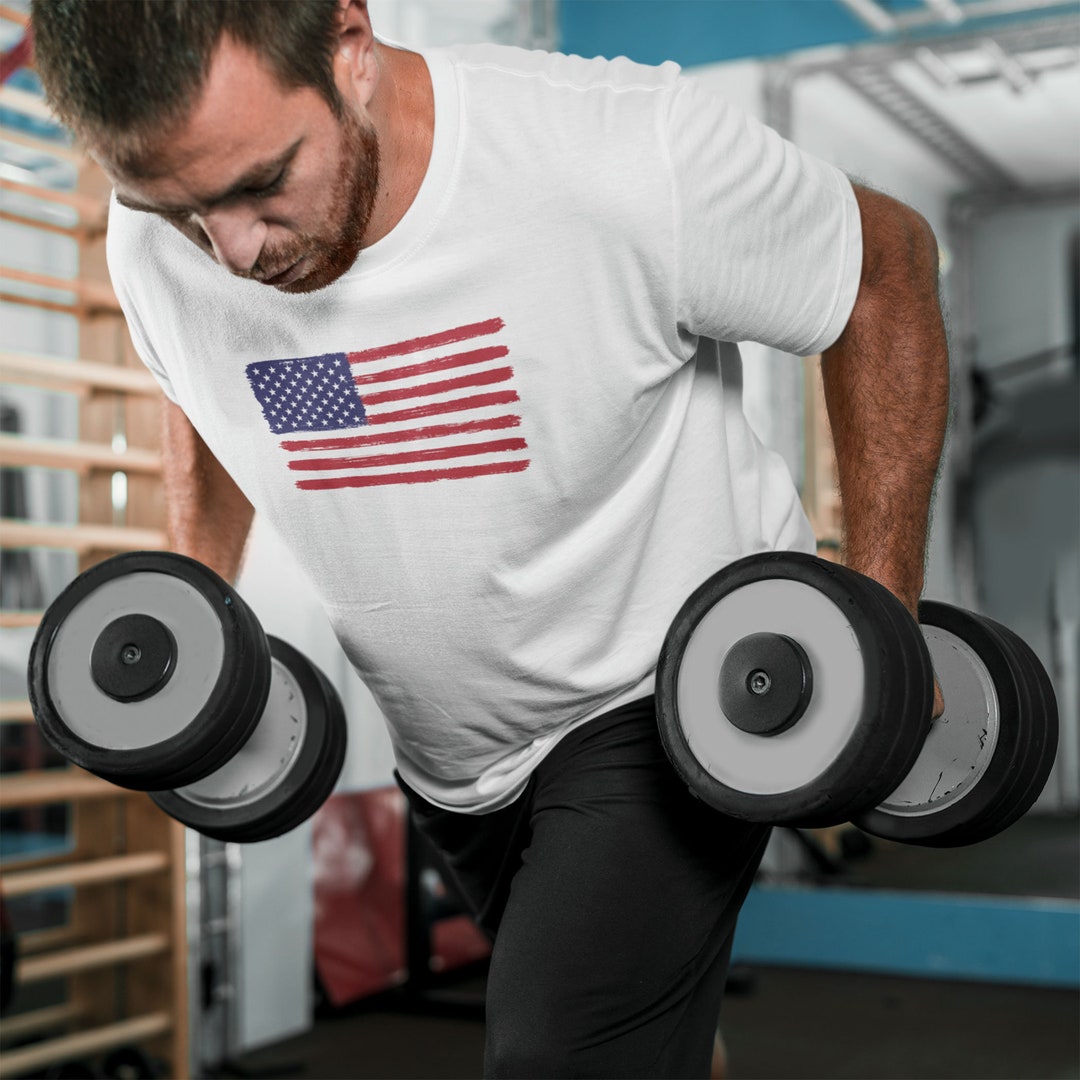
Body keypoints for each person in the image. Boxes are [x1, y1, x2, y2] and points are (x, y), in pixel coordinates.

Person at [30, 2, 949, 1076]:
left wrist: (886, 621)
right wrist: (197, 599)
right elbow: (203, 374)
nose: (229, 252)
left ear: (349, 45)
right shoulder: (162, 240)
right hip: (453, 754)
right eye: (183, 212)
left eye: (260, 185)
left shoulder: (611, 155)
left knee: (555, 1052)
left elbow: (885, 269)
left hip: (664, 705)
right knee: (612, 1026)